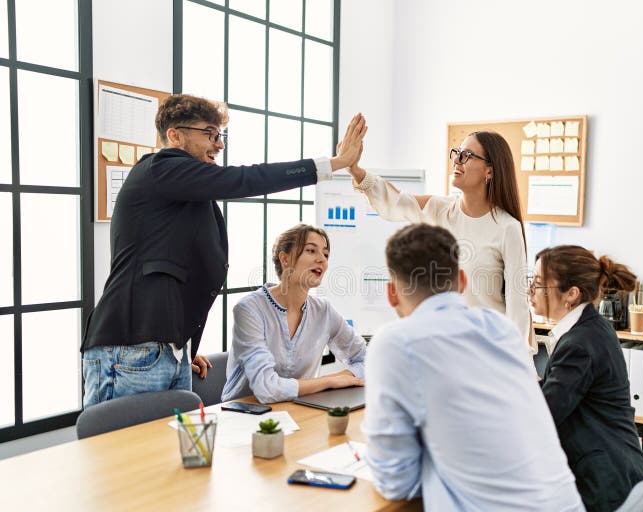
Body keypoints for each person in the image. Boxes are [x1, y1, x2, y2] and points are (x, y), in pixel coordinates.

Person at [80, 94, 367, 407]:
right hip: (131, 348)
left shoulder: (186, 194)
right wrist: (334, 165)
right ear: (175, 135)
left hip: (166, 352)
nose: (219, 144)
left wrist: (179, 347)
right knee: (124, 454)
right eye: (210, 134)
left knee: (165, 455)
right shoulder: (159, 169)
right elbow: (244, 179)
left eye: (221, 135)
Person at [363, 223, 585, 512]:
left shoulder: (395, 343)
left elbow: (395, 481)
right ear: (462, 280)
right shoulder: (502, 328)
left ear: (391, 293)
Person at [346, 131, 530, 342]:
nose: (456, 160)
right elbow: (394, 203)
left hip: (488, 348)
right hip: (445, 343)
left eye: (467, 155)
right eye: (457, 153)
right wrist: (355, 170)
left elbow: (518, 307)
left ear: (489, 171)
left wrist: (517, 361)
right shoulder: (440, 209)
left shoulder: (507, 227)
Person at [530, 245, 643, 512]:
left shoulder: (579, 344)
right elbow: (562, 394)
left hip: (608, 497)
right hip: (628, 483)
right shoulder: (593, 327)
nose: (531, 291)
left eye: (538, 284)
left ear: (571, 294)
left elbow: (542, 418)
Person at [221, 224, 365, 403]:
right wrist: (328, 381)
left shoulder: (323, 311)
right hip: (244, 415)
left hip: (301, 411)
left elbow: (365, 359)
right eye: (311, 251)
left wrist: (343, 376)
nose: (322, 259)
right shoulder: (249, 309)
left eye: (326, 254)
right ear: (285, 259)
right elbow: (266, 388)